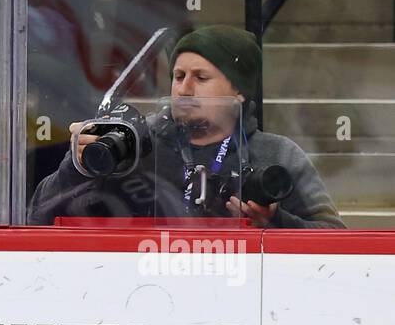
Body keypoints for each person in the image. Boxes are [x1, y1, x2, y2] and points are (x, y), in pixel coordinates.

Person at [29, 26, 345, 228]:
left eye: (201, 77)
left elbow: (336, 240)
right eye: (178, 77)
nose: (184, 89)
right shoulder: (133, 143)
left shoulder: (276, 153)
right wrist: (78, 166)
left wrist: (276, 221)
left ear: (239, 91)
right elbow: (38, 218)